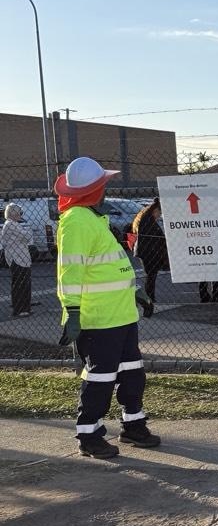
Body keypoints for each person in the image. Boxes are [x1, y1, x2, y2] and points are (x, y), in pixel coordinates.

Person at [55, 156, 159, 459]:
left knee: (132, 374)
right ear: (93, 190)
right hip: (98, 320)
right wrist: (73, 312)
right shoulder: (76, 221)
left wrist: (135, 290)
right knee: (100, 378)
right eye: (103, 184)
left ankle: (133, 425)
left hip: (121, 316)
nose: (105, 190)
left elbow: (108, 268)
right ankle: (89, 436)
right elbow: (69, 272)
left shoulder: (94, 219)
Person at [132, 198, 168, 303]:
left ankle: (150, 297)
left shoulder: (146, 218)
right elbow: (154, 237)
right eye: (159, 213)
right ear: (155, 210)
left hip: (147, 252)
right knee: (151, 276)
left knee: (151, 276)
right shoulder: (147, 220)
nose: (159, 216)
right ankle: (150, 298)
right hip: (148, 252)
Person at [1, 203, 33, 317]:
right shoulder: (11, 224)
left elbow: (25, 236)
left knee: (22, 283)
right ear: (13, 213)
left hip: (20, 257)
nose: (21, 215)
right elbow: (27, 236)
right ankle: (21, 309)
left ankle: (24, 308)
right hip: (17, 258)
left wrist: (25, 234)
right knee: (21, 284)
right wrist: (27, 233)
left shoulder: (13, 224)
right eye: (19, 212)